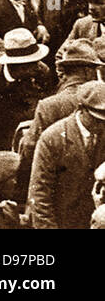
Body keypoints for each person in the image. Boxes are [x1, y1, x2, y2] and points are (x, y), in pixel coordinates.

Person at [28, 81, 105, 229]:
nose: (101, 126)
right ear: (81, 109)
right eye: (97, 120)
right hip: (62, 221)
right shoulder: (52, 138)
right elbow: (39, 194)